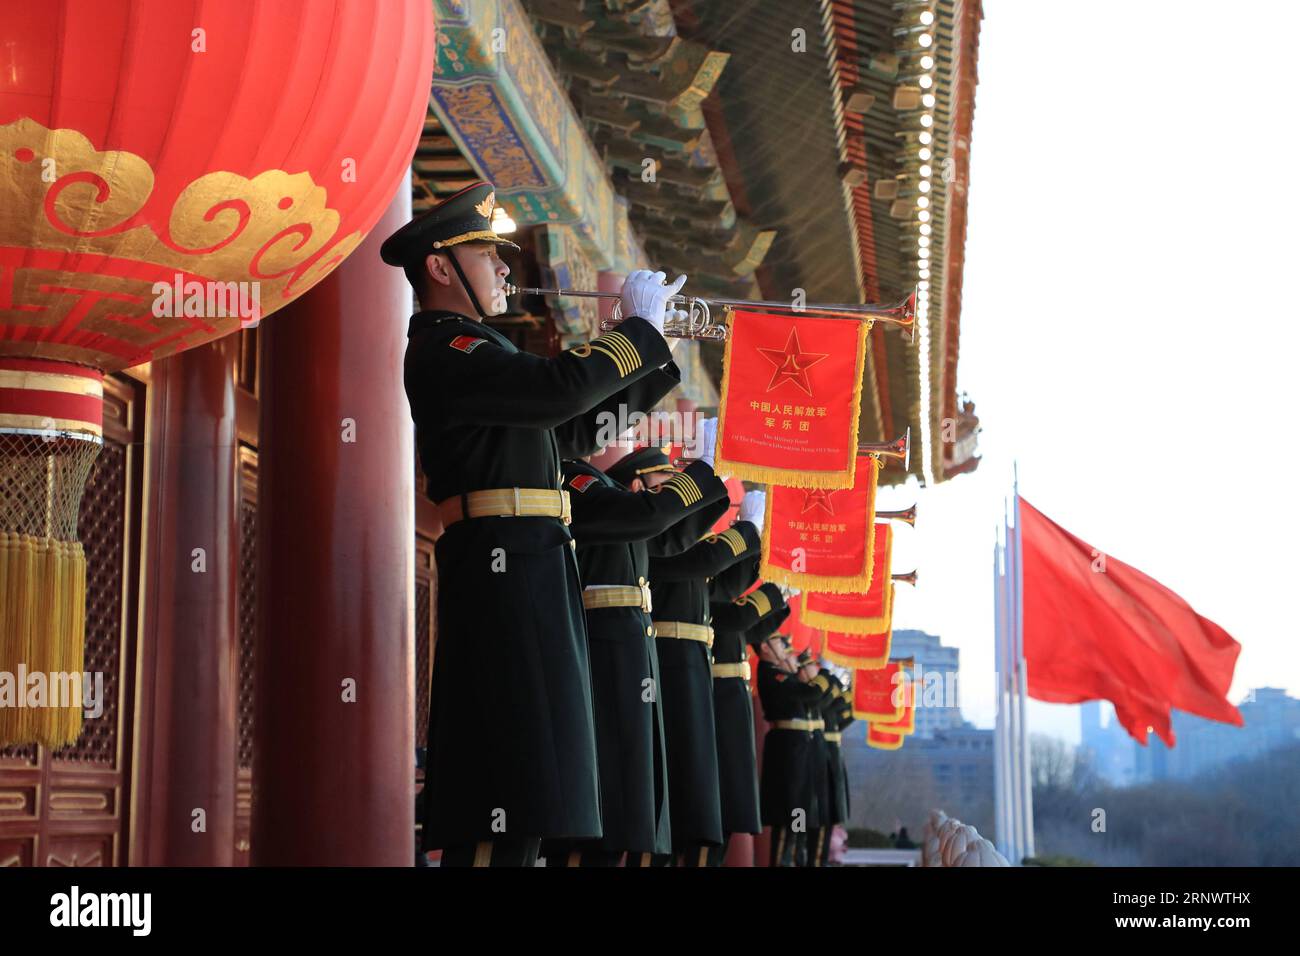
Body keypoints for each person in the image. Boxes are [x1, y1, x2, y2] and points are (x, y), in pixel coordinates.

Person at [386, 180, 688, 866]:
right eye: (488, 255)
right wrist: (632, 332)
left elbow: (576, 425)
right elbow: (557, 392)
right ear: (440, 267)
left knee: (539, 772)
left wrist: (652, 348)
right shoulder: (448, 350)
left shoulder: (481, 354)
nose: (502, 269)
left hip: (532, 562)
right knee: (511, 768)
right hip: (503, 566)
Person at [544, 438, 730, 867]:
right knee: (603, 801)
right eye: (665, 480)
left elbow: (671, 534)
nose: (671, 488)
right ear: (638, 479)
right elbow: (651, 518)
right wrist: (704, 467)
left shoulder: (618, 501)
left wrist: (718, 473)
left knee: (632, 801)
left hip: (629, 651)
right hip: (603, 651)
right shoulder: (578, 480)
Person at [638, 487, 766, 866]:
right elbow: (705, 561)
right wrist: (748, 530)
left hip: (689, 666)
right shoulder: (656, 542)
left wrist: (769, 563)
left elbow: (724, 585)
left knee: (700, 800)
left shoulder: (676, 546)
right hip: (671, 665)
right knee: (681, 796)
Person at [704, 580, 789, 866]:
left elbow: (754, 629)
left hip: (731, 698)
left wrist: (786, 599)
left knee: (730, 803)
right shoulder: (714, 596)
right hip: (718, 696)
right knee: (716, 806)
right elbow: (740, 618)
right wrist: (781, 588)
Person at [757, 642, 826, 866]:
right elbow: (811, 693)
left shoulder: (786, 675)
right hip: (787, 755)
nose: (791, 658)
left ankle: (796, 860)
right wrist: (827, 675)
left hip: (797, 754)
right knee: (788, 817)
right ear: (766, 648)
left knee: (799, 817)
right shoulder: (774, 675)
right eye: (780, 645)